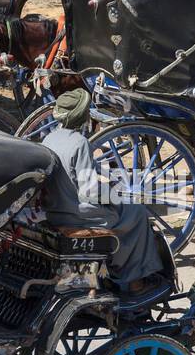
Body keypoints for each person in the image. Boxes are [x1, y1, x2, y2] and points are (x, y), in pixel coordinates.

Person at [41, 88, 166, 292]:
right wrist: (115, 197)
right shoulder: (79, 142)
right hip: (78, 214)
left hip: (56, 210)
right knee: (136, 212)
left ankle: (116, 269)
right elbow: (89, 191)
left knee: (127, 210)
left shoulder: (50, 139)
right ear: (80, 115)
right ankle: (135, 281)